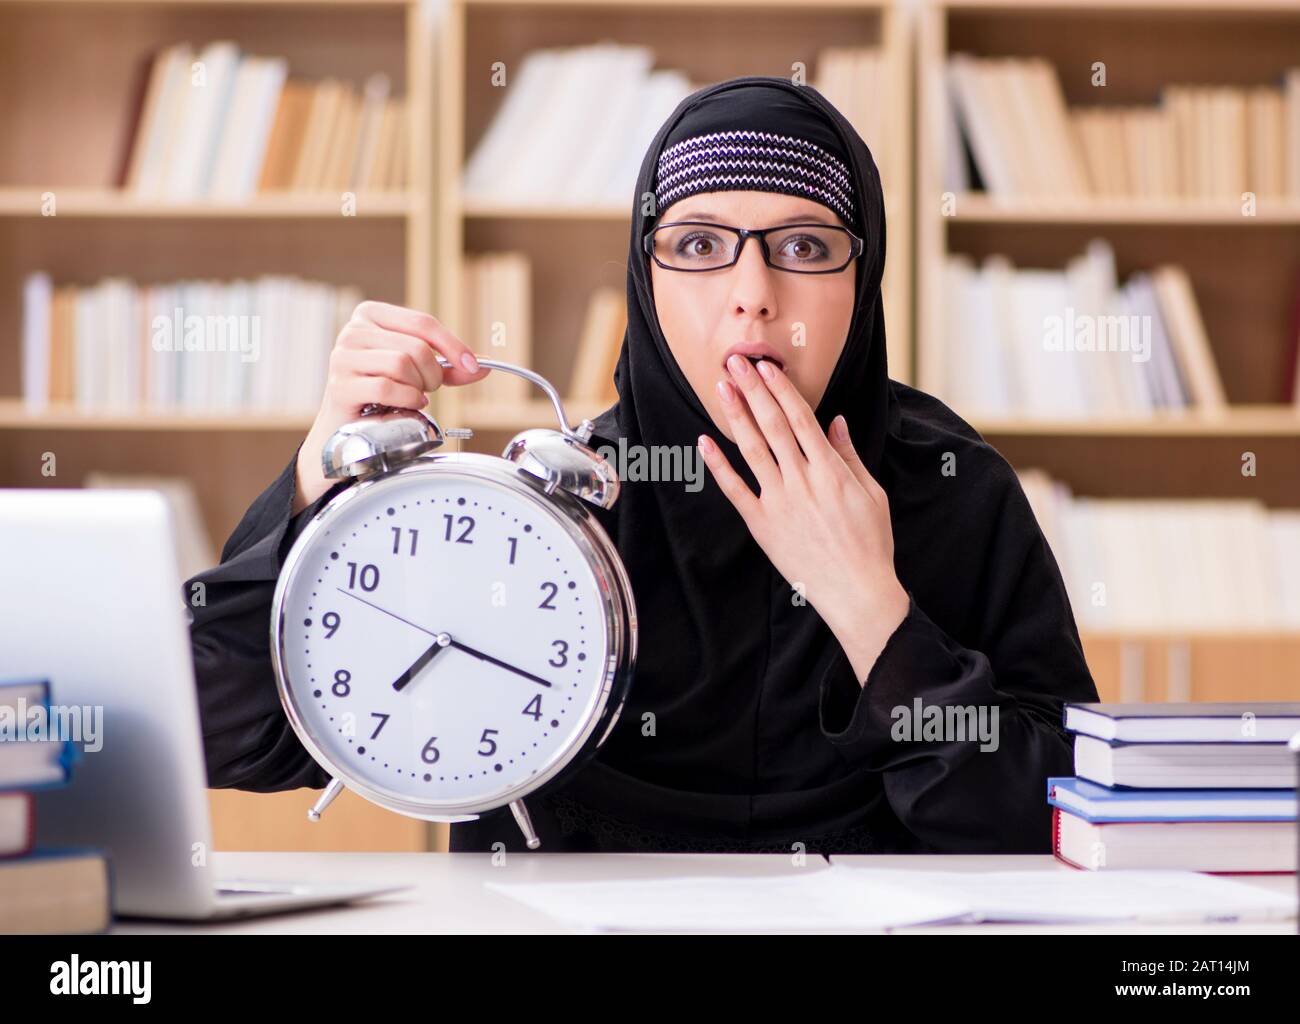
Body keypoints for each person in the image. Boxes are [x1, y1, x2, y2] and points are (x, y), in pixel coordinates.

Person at [187, 76, 1099, 855]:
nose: (753, 298)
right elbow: (221, 731)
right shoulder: (546, 513)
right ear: (645, 276)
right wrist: (319, 477)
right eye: (700, 246)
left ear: (863, 284)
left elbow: (1059, 817)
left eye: (805, 247)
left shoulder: (957, 491)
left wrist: (869, 608)